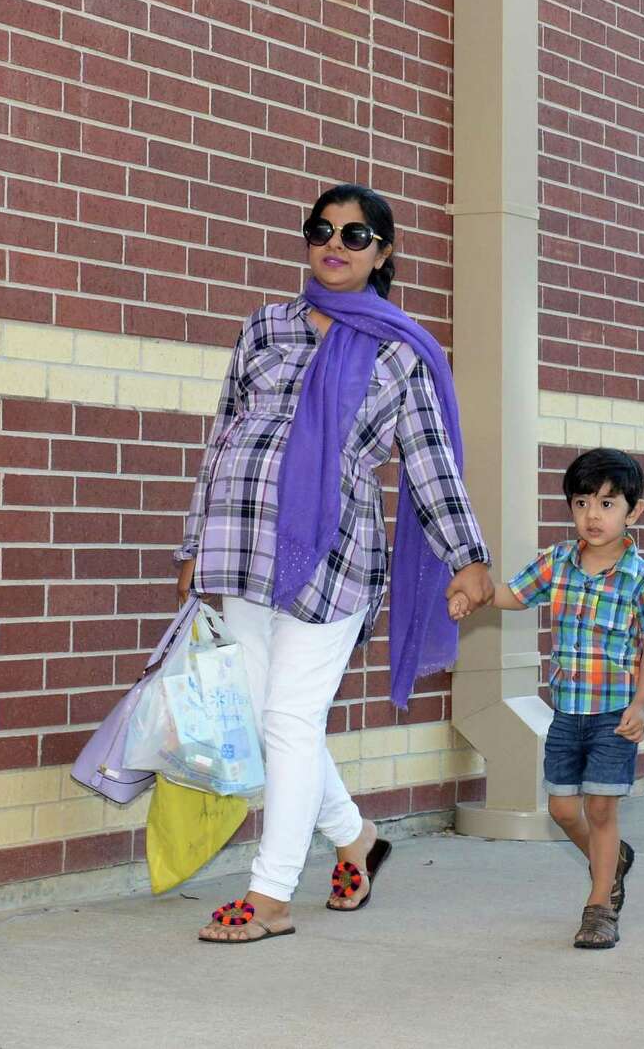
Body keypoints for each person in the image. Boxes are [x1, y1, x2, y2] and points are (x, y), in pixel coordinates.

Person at [175, 183, 494, 943]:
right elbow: (222, 436)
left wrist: (467, 555)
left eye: (356, 235)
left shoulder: (398, 350)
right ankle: (355, 840)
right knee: (272, 720)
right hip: (241, 546)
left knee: (289, 716)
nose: (335, 243)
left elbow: (429, 463)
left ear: (383, 252)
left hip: (333, 559)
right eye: (322, 229)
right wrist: (193, 544)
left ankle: (271, 894)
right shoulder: (266, 326)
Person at [448, 447, 644, 949]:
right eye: (581, 503)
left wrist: (640, 705)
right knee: (562, 810)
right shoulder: (557, 564)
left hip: (614, 713)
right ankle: (610, 860)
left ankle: (599, 907)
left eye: (608, 504)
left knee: (600, 810)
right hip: (567, 712)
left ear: (633, 511)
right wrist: (475, 595)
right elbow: (511, 594)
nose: (593, 515)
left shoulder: (642, 577)